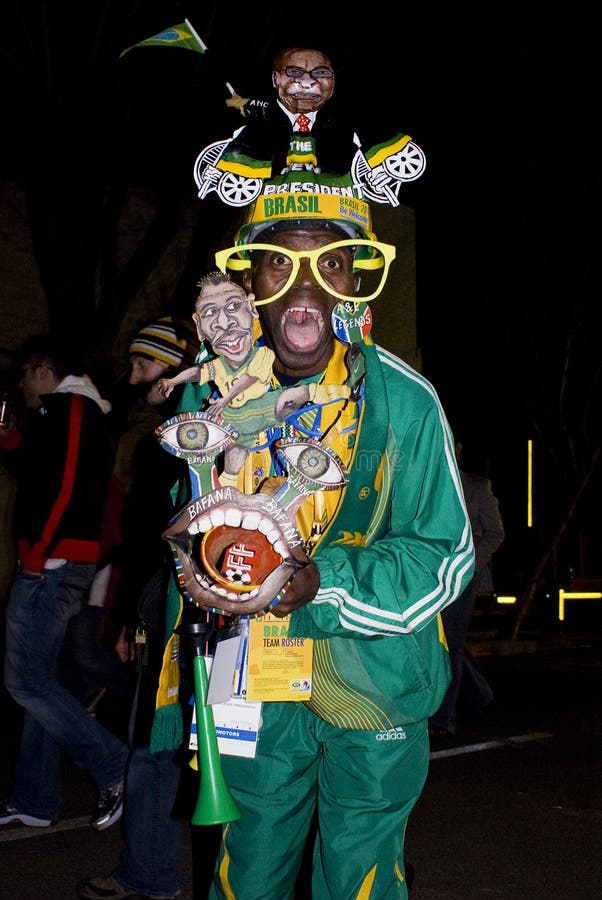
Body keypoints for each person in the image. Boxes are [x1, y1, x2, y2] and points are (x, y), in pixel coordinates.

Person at [166, 192, 475, 898]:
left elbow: (446, 554)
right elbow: (188, 522)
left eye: (330, 263)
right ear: (250, 284)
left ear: (355, 281)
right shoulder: (212, 398)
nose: (306, 286)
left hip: (372, 683)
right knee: (248, 862)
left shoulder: (405, 401)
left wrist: (321, 582)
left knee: (360, 872)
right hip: (248, 674)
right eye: (281, 265)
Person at [76, 316, 212, 900]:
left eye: (144, 365)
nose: (135, 378)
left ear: (176, 366)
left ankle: (151, 873)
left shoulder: (180, 434)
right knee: (168, 748)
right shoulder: (180, 428)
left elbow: (152, 538)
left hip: (181, 607)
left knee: (154, 749)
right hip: (178, 603)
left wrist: (137, 611)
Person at [0, 333, 128, 831]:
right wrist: (11, 440)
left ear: (40, 369)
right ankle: (35, 797)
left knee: (25, 681)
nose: (22, 387)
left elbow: (68, 484)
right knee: (40, 682)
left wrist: (38, 552)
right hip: (53, 561)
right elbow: (39, 475)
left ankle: (114, 763)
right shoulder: (61, 415)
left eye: (24, 375)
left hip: (51, 563)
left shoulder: (74, 408)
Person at [195, 47, 424, 206]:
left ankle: (387, 152)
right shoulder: (264, 117)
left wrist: (380, 174)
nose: (308, 82)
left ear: (333, 81)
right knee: (249, 137)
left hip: (340, 204)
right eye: (295, 72)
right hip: (271, 204)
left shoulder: (343, 119)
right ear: (276, 79)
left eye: (321, 73)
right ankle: (239, 168)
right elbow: (246, 105)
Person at [430, 440, 505, 737]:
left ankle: (442, 719)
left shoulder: (477, 487)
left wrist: (471, 565)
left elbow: (496, 533)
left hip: (463, 577)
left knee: (449, 641)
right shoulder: (430, 485)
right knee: (445, 639)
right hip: (431, 575)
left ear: (458, 451)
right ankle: (479, 695)